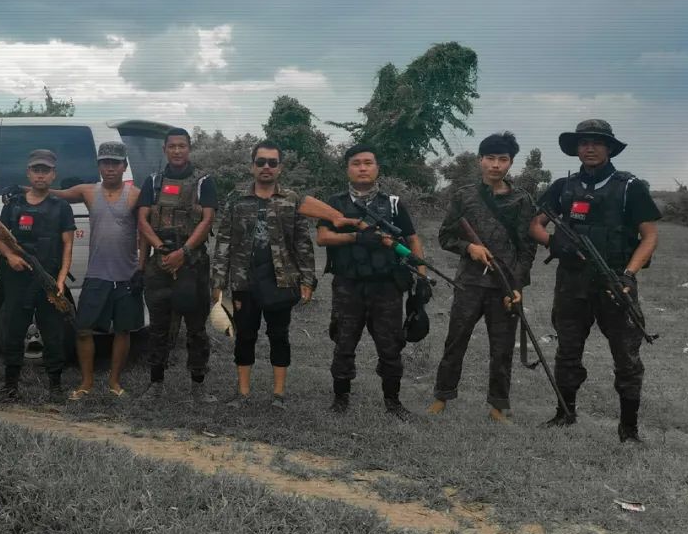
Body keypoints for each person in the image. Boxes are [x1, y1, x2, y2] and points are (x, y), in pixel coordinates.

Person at [529, 120, 660, 443]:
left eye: (597, 142)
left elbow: (649, 237)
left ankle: (628, 429)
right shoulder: (563, 187)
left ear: (609, 148)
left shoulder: (629, 187)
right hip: (572, 283)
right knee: (567, 350)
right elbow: (534, 223)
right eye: (584, 142)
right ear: (576, 148)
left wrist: (628, 274)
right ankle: (565, 414)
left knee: (626, 357)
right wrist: (553, 243)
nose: (589, 148)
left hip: (615, 281)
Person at [317, 144, 431, 420]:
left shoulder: (392, 203)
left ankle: (393, 403)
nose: (363, 168)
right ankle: (340, 400)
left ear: (377, 168)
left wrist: (422, 276)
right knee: (344, 342)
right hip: (348, 284)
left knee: (391, 345)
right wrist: (355, 237)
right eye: (356, 163)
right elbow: (322, 237)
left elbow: (413, 238)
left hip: (386, 286)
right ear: (348, 168)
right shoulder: (334, 203)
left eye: (368, 163)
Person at [428, 132, 537, 422]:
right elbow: (445, 236)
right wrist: (469, 247)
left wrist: (517, 287)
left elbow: (527, 249)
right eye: (490, 158)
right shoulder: (464, 195)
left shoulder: (522, 200)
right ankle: (442, 396)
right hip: (470, 283)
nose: (496, 165)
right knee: (455, 341)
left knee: (502, 348)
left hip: (504, 285)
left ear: (511, 164)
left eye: (503, 160)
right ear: (480, 160)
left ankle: (498, 406)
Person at [210, 141, 317, 410]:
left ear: (280, 168)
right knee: (245, 334)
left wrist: (307, 280)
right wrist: (218, 282)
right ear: (252, 166)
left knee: (279, 335)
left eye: (272, 162)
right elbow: (223, 241)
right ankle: (243, 394)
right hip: (244, 281)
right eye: (261, 162)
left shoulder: (292, 199)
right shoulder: (236, 198)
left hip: (281, 280)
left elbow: (302, 242)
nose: (266, 167)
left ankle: (278, 394)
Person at [52, 141, 144, 400]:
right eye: (105, 162)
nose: (110, 167)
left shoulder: (135, 194)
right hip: (97, 274)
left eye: (115, 163)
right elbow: (52, 193)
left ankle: (115, 381)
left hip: (127, 275)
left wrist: (142, 267)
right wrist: (23, 190)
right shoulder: (88, 191)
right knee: (83, 329)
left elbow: (148, 228)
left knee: (123, 330)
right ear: (99, 166)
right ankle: (86, 382)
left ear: (124, 166)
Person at [136, 128, 219, 402]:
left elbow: (206, 221)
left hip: (193, 265)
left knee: (196, 329)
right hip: (160, 264)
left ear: (189, 148)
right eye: (172, 146)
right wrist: (161, 250)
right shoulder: (153, 181)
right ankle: (155, 384)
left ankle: (198, 386)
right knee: (158, 328)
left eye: (182, 146)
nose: (177, 151)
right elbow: (142, 220)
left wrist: (183, 252)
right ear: (165, 150)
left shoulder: (204, 182)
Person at [0, 148, 76, 402]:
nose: (40, 175)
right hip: (17, 278)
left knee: (53, 332)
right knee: (15, 331)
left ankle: (55, 386)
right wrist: (11, 257)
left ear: (54, 175)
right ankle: (10, 385)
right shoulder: (14, 204)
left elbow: (67, 245)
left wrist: (60, 279)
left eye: (46, 171)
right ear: (28, 173)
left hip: (47, 278)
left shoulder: (61, 207)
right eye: (36, 170)